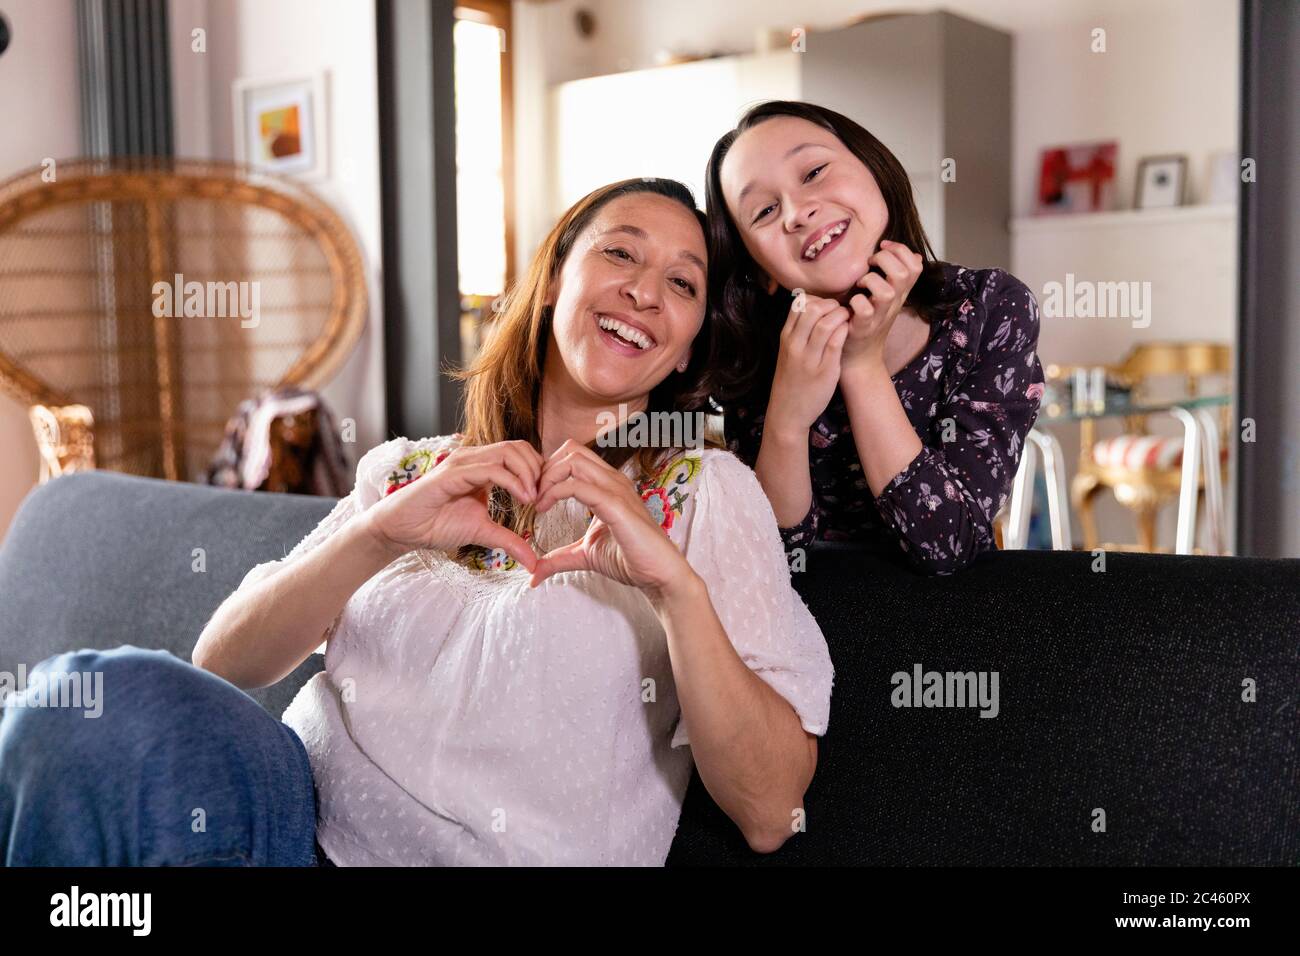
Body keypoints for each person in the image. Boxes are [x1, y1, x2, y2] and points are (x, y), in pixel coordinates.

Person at [0, 178, 833, 867]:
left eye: (683, 284)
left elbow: (770, 812)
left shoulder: (703, 494)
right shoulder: (411, 471)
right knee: (87, 701)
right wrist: (379, 535)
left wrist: (676, 593)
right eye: (620, 252)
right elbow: (223, 662)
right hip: (282, 821)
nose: (645, 291)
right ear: (553, 281)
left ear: (686, 348)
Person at [704, 100, 1044, 574]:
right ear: (760, 270)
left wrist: (861, 364)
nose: (797, 212)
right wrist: (787, 419)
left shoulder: (989, 307)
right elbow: (772, 565)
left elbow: (947, 547)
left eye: (814, 172)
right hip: (813, 617)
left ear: (875, 170)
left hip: (954, 615)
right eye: (764, 210)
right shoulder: (753, 355)